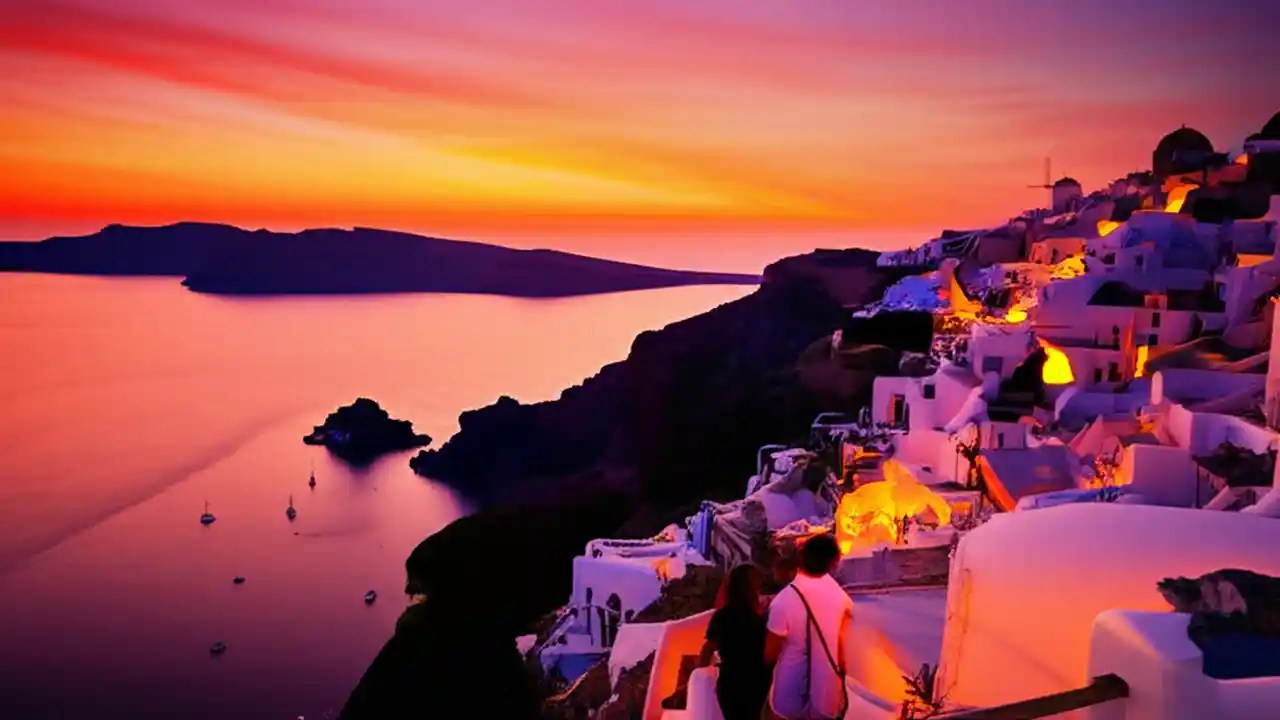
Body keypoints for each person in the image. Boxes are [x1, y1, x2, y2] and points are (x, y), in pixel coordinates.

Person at [765, 533, 853, 720]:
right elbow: (845, 651)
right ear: (834, 562)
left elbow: (770, 653)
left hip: (789, 695)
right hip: (828, 695)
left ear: (801, 558)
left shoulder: (784, 600)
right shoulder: (843, 599)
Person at [698, 565, 771, 720]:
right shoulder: (758, 617)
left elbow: (708, 648)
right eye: (756, 580)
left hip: (737, 682)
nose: (760, 584)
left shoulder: (724, 615)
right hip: (750, 681)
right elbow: (708, 648)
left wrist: (697, 674)